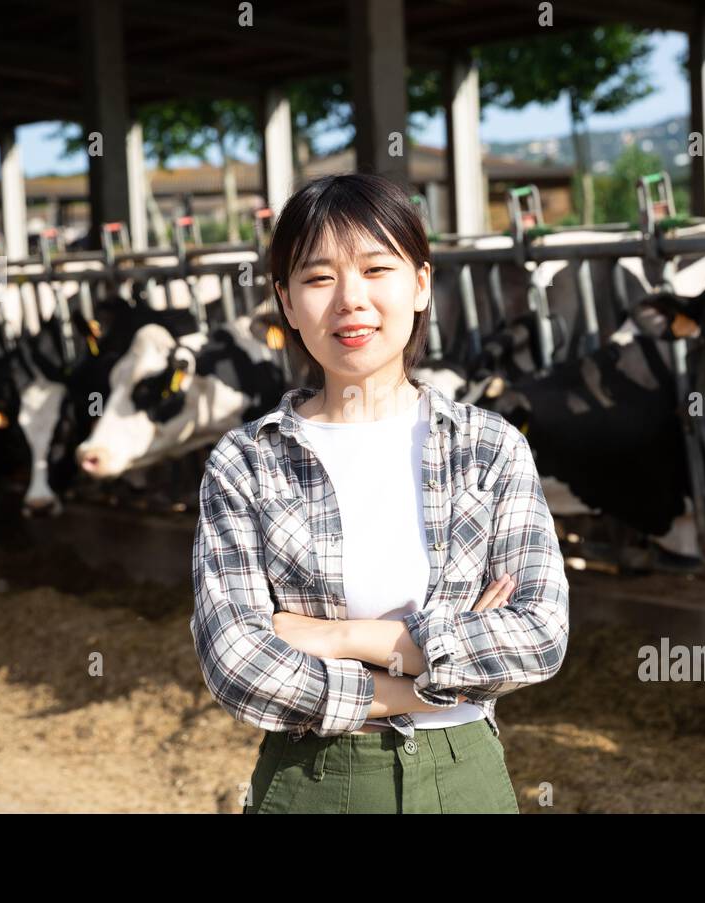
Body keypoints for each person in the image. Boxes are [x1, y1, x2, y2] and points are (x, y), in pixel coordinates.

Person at [190, 172, 570, 814]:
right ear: (285, 301)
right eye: (317, 278)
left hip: (464, 778)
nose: (350, 301)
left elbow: (539, 636)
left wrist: (338, 639)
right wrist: (433, 684)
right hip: (312, 778)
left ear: (420, 284)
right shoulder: (248, 461)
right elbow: (236, 663)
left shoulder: (488, 447)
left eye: (376, 270)